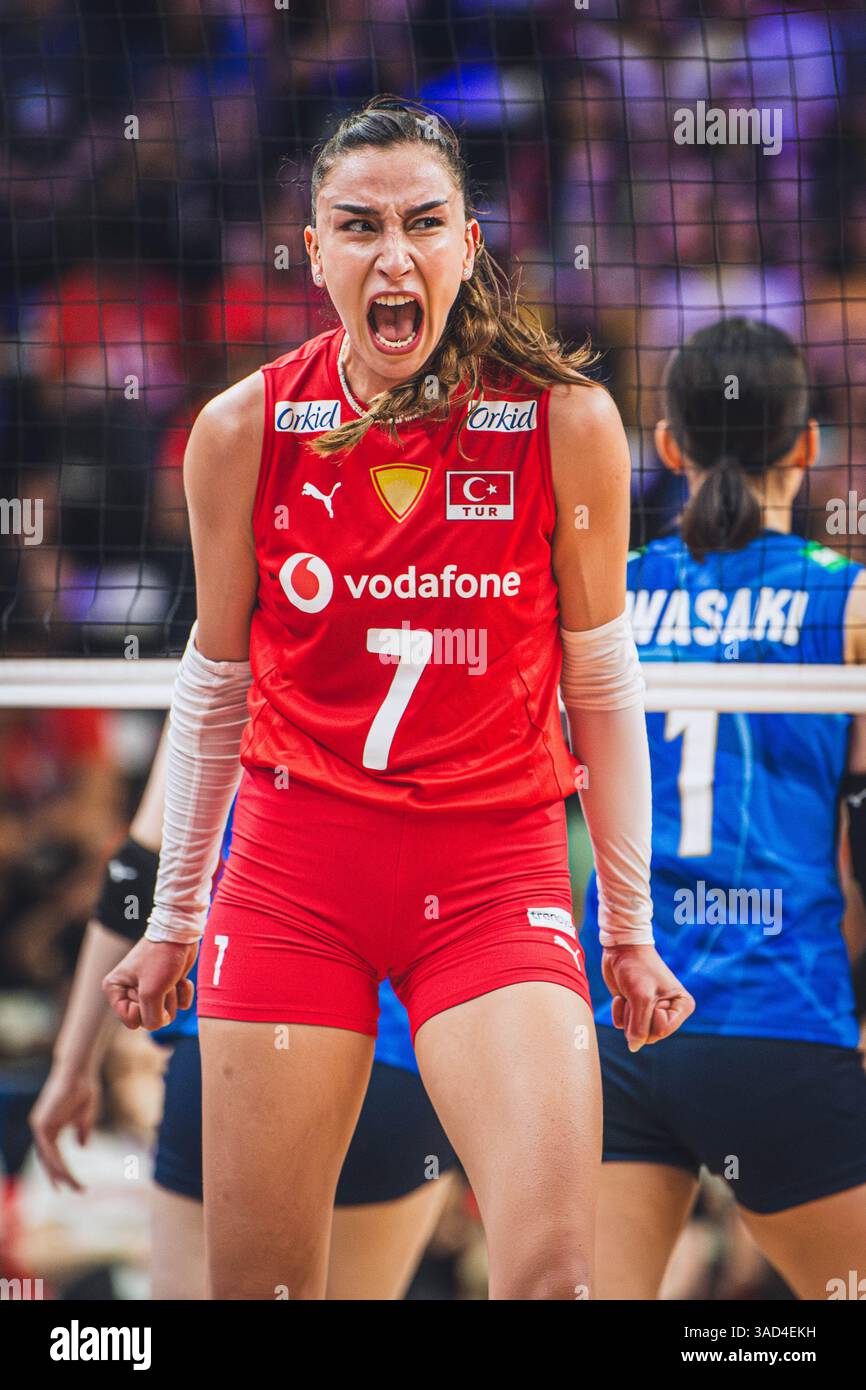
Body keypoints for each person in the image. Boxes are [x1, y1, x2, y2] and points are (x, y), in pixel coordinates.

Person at [104, 96, 692, 1301]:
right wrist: (171, 915)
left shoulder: (561, 423)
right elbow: (213, 686)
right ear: (311, 251)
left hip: (494, 880)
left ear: (466, 242)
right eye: (357, 226)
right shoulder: (242, 430)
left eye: (423, 223)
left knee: (552, 1278)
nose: (393, 254)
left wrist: (624, 924)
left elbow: (603, 683)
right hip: (288, 879)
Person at [581, 317, 866, 1300]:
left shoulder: (604, 598)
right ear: (804, 445)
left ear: (666, 446)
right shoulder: (849, 605)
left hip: (615, 1024)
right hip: (777, 1018)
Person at [31, 720, 458, 1300]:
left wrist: (73, 1064)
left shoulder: (244, 650)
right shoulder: (466, 645)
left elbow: (137, 867)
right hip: (404, 1053)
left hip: (237, 1032)